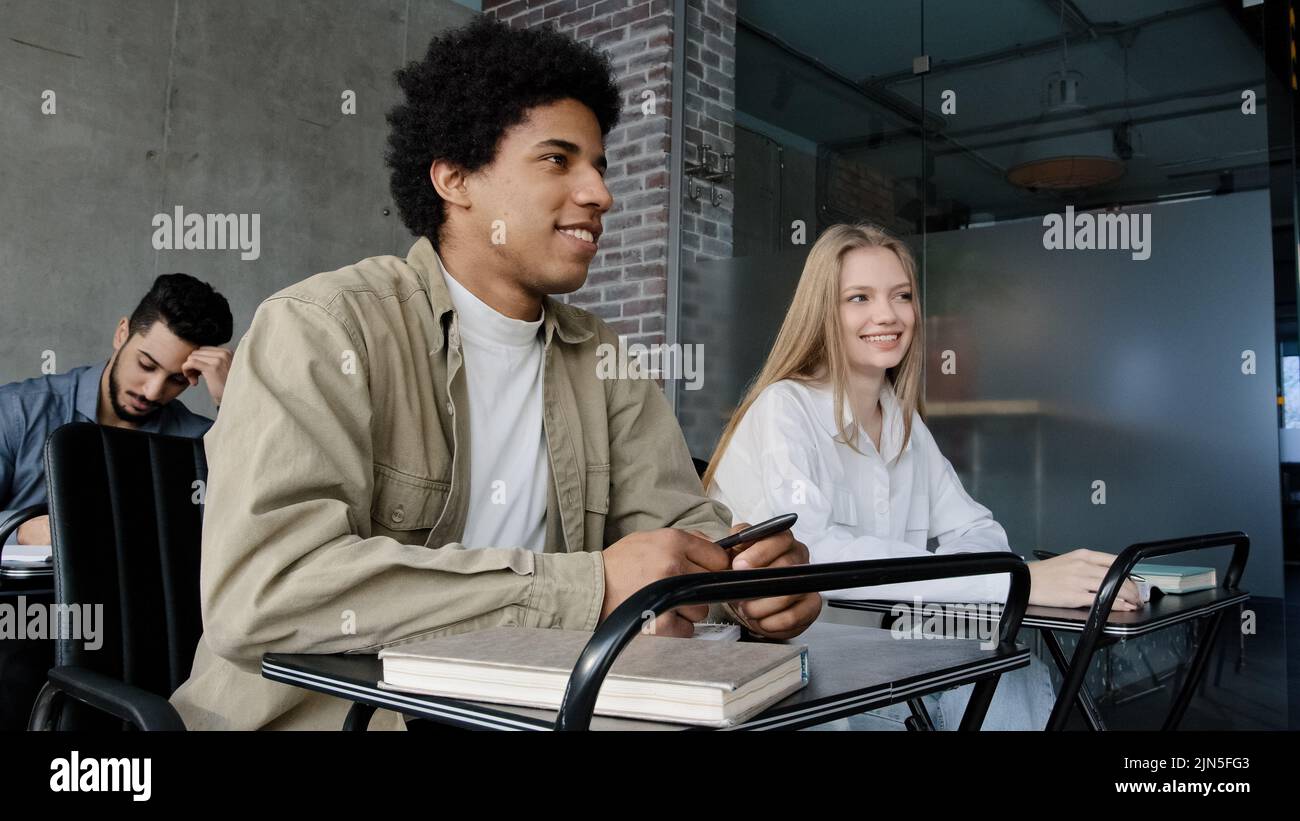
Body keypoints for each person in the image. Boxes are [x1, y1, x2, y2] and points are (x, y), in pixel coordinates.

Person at [170, 17, 820, 731]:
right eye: (558, 160)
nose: (599, 192)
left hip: (524, 715)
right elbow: (264, 592)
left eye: (599, 165)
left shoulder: (603, 359)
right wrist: (586, 586)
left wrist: (749, 582)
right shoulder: (322, 328)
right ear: (455, 178)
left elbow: (680, 532)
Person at [703, 222, 1143, 729]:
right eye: (859, 297)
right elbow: (815, 557)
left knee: (1004, 662)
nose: (887, 315)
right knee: (995, 664)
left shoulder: (902, 421)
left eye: (902, 296)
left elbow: (978, 530)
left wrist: (999, 580)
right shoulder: (785, 408)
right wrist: (1011, 579)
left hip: (888, 661)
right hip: (802, 680)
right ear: (824, 311)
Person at [0, 273, 233, 546]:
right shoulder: (19, 410)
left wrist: (231, 400)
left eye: (177, 379)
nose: (153, 391)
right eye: (146, 365)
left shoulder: (201, 440)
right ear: (122, 334)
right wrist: (22, 532)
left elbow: (249, 525)